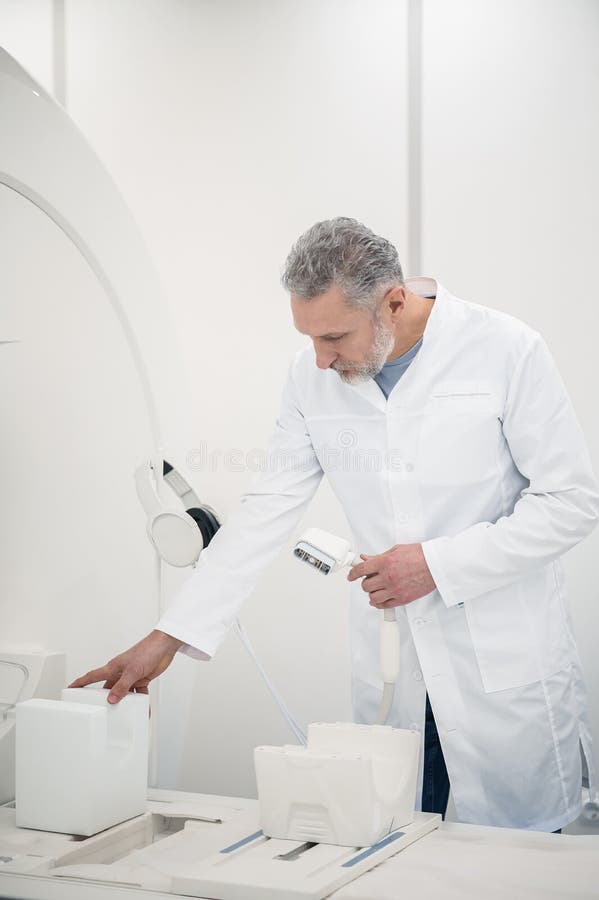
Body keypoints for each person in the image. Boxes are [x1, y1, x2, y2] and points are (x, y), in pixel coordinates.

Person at [71, 217, 599, 832]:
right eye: (310, 338)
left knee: (519, 854)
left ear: (394, 302)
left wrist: (436, 565)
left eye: (335, 337)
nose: (321, 360)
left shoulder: (506, 350)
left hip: (502, 661)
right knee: (394, 844)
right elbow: (266, 510)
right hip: (396, 659)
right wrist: (167, 636)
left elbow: (571, 501)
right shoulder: (311, 376)